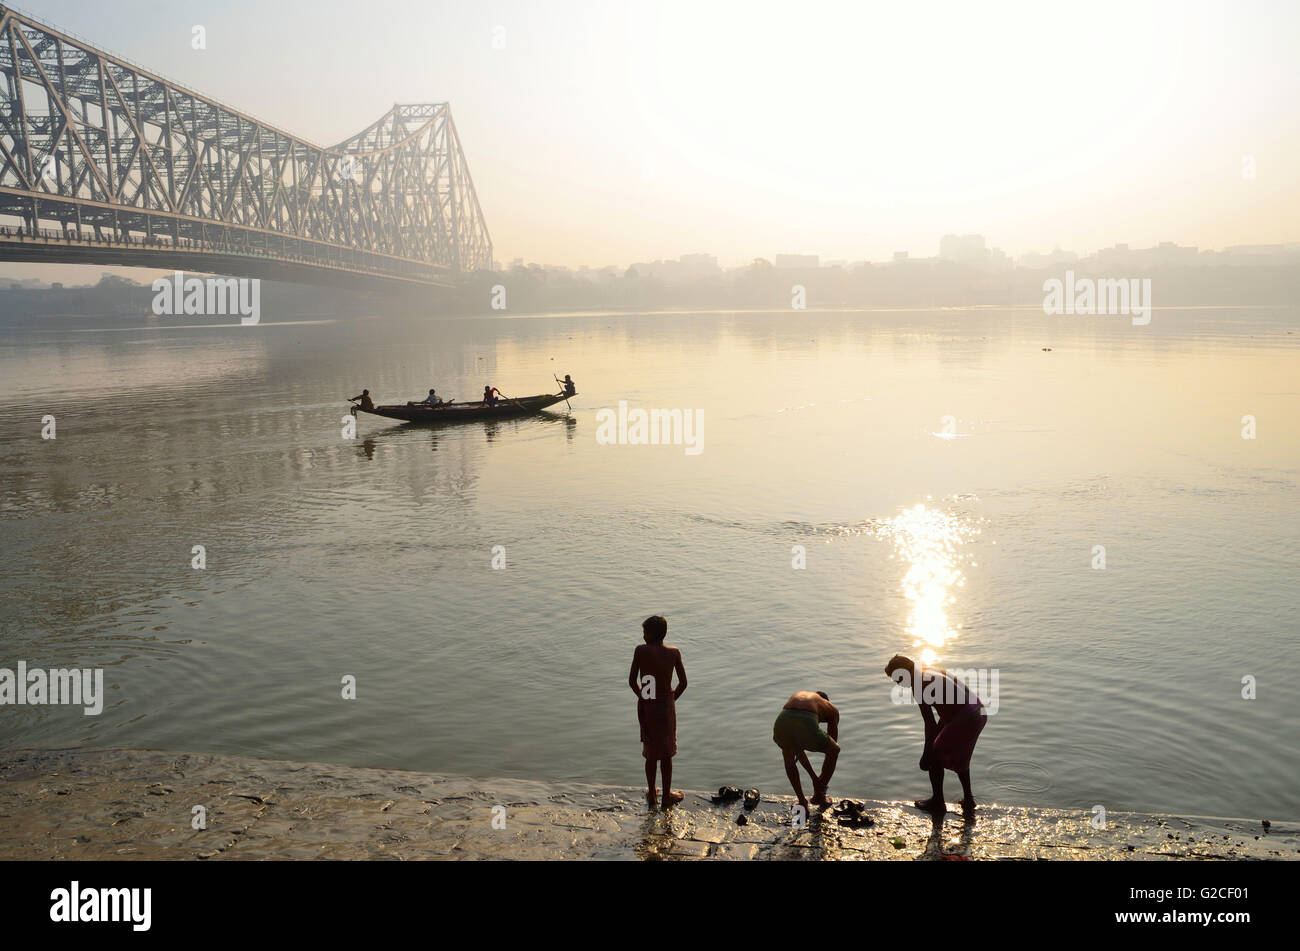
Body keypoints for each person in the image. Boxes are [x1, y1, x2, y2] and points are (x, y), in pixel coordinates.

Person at [884, 654, 986, 815]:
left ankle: (938, 802)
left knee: (935, 754)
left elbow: (930, 723)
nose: (899, 684)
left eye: (898, 679)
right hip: (978, 712)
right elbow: (948, 710)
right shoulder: (932, 669)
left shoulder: (919, 686)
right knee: (961, 758)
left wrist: (926, 754)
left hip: (965, 717)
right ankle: (968, 800)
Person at [627, 615, 687, 806]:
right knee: (667, 754)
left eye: (645, 632)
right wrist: (671, 699)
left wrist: (644, 697)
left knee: (651, 752)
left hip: (648, 705)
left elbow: (632, 681)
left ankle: (652, 792)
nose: (643, 636)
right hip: (666, 707)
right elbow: (683, 683)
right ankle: (667, 796)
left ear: (652, 634)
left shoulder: (640, 651)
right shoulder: (674, 652)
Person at [772, 691, 840, 811]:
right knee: (834, 750)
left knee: (788, 758)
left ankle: (802, 802)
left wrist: (814, 778)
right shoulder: (831, 708)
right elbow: (832, 746)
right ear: (826, 701)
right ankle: (819, 795)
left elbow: (799, 749)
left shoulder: (803, 697)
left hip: (782, 720)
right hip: (806, 718)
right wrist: (820, 783)